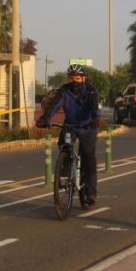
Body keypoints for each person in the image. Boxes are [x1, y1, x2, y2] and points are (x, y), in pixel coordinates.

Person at [37, 64, 101, 209]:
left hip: (88, 127)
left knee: (89, 159)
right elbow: (54, 105)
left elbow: (94, 106)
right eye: (71, 78)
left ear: (83, 78)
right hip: (70, 125)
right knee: (63, 144)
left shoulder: (91, 90)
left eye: (77, 78)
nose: (74, 81)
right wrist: (46, 119)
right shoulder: (64, 90)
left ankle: (90, 193)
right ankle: (65, 168)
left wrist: (95, 119)